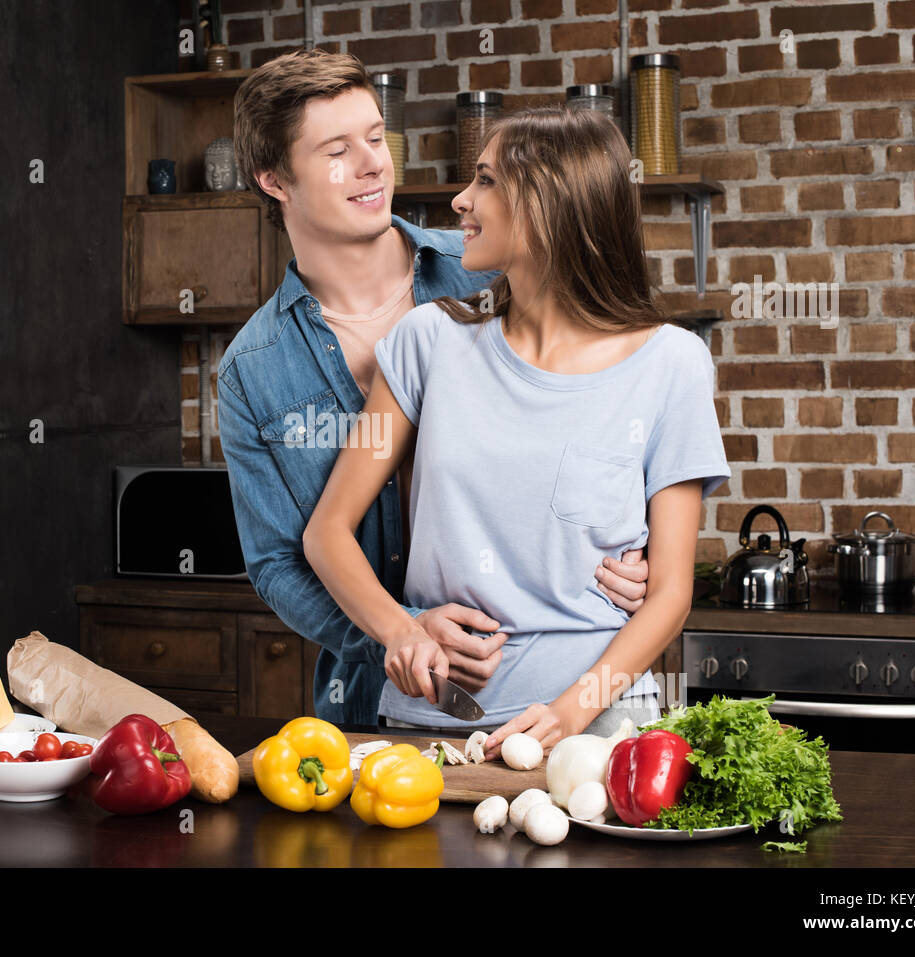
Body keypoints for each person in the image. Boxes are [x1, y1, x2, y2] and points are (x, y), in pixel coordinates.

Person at [217, 49, 652, 728]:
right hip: (379, 703)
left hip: (554, 673)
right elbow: (276, 562)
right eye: (338, 149)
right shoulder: (253, 369)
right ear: (273, 179)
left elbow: (617, 403)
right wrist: (400, 631)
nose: (373, 163)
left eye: (374, 135)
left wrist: (644, 544)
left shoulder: (492, 268)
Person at [302, 106, 730, 757]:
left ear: (548, 203)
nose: (461, 200)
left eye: (487, 181)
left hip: (602, 730)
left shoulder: (671, 364)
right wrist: (402, 631)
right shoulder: (429, 342)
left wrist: (568, 713)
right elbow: (326, 531)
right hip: (431, 724)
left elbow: (670, 592)